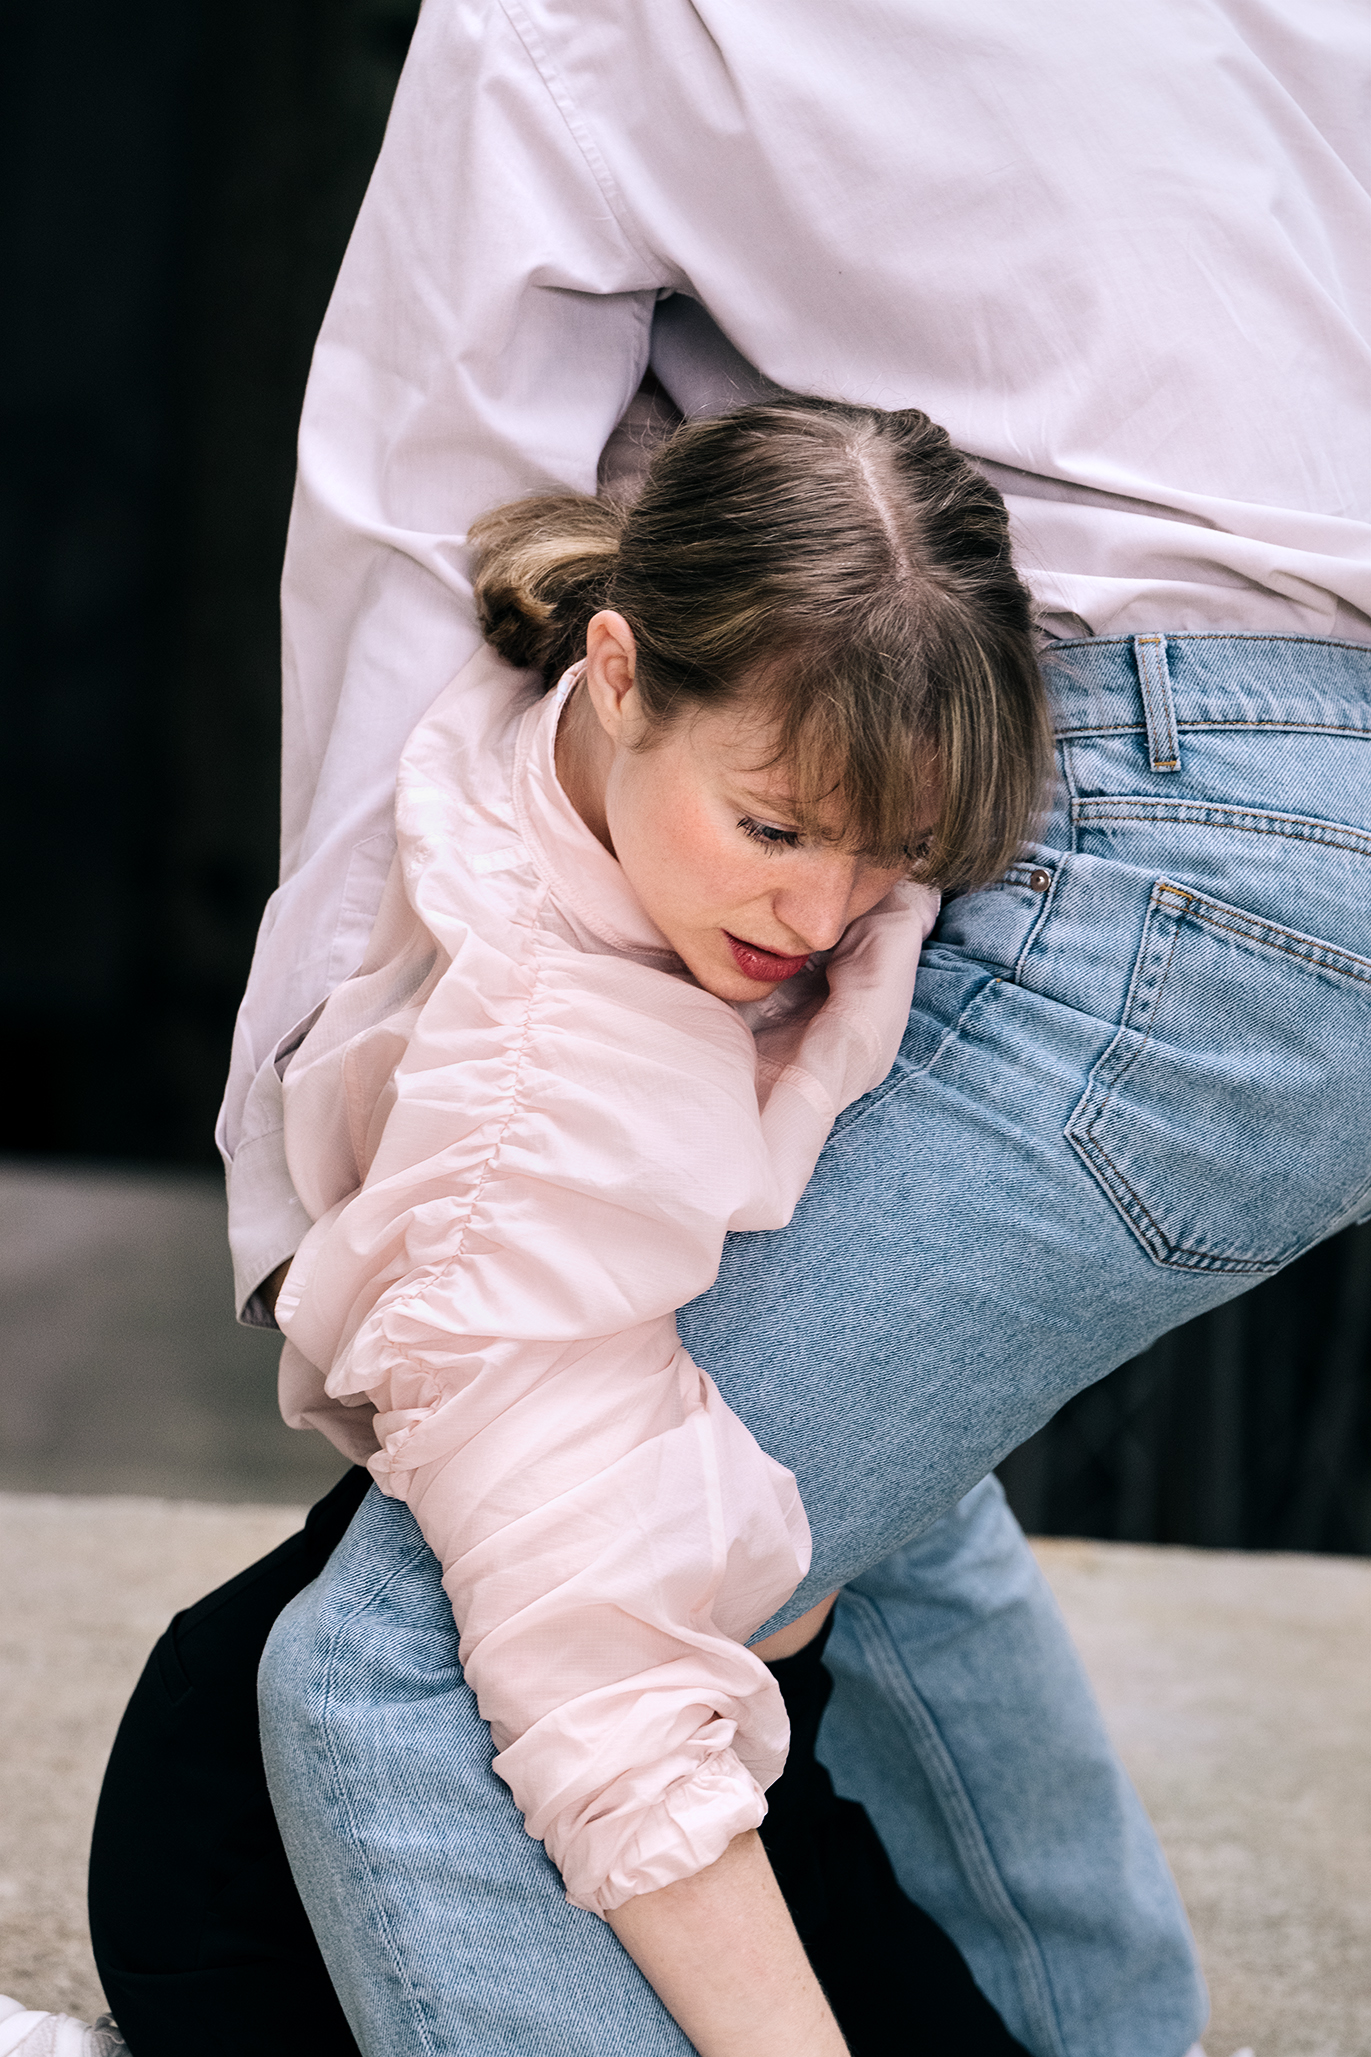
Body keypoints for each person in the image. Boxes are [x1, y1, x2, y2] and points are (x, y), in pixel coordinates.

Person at [52, 2, 1371, 2056]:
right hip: (1169, 769)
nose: (815, 909)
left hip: (1133, 798)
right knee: (843, 1482)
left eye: (837, 850)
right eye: (772, 833)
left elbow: (430, 499)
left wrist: (334, 1176)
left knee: (404, 1675)